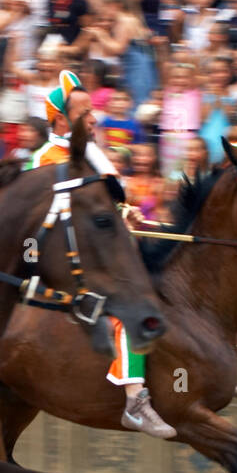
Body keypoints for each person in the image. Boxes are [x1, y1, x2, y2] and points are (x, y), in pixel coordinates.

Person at [22, 69, 174, 439]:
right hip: (64, 261)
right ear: (61, 119)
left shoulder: (90, 153)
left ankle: (190, 377)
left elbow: (95, 207)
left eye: (93, 111)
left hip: (99, 251)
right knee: (126, 309)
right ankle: (134, 403)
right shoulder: (47, 158)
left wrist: (124, 212)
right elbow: (53, 218)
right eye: (85, 112)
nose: (94, 118)